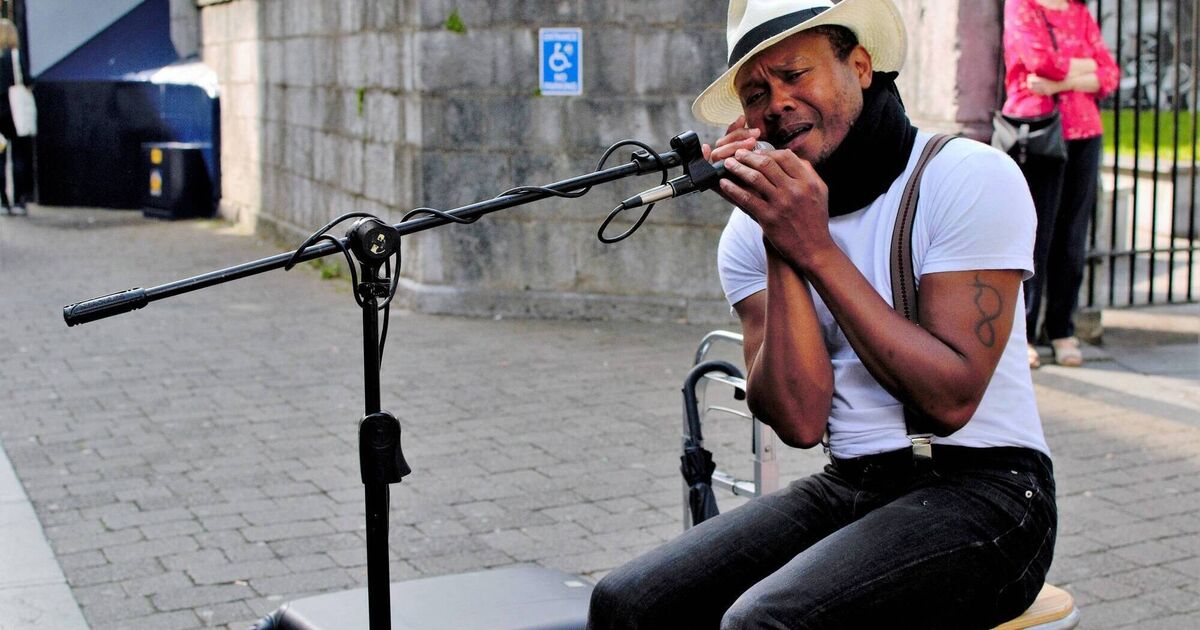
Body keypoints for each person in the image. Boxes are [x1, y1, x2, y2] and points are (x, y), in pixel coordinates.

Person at [587, 0, 1056, 627]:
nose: (775, 101)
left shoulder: (967, 178)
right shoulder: (751, 233)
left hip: (989, 490)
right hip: (854, 483)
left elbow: (950, 399)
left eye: (794, 75)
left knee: (766, 623)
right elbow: (801, 421)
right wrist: (781, 243)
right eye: (755, 93)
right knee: (628, 604)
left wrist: (816, 249)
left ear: (860, 65)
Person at [1002, 0, 1118, 368]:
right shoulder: (1022, 6)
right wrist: (1084, 69)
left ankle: (1062, 329)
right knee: (1034, 235)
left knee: (1072, 236)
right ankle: (1023, 333)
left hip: (1085, 133)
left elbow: (1110, 74)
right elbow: (1040, 62)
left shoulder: (1079, 12)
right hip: (1037, 133)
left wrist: (1061, 81)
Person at [0, 16, 32, 216]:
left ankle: (3, 201)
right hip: (15, 110)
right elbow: (26, 80)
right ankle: (20, 200)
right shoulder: (15, 56)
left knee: (0, 156)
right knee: (20, 154)